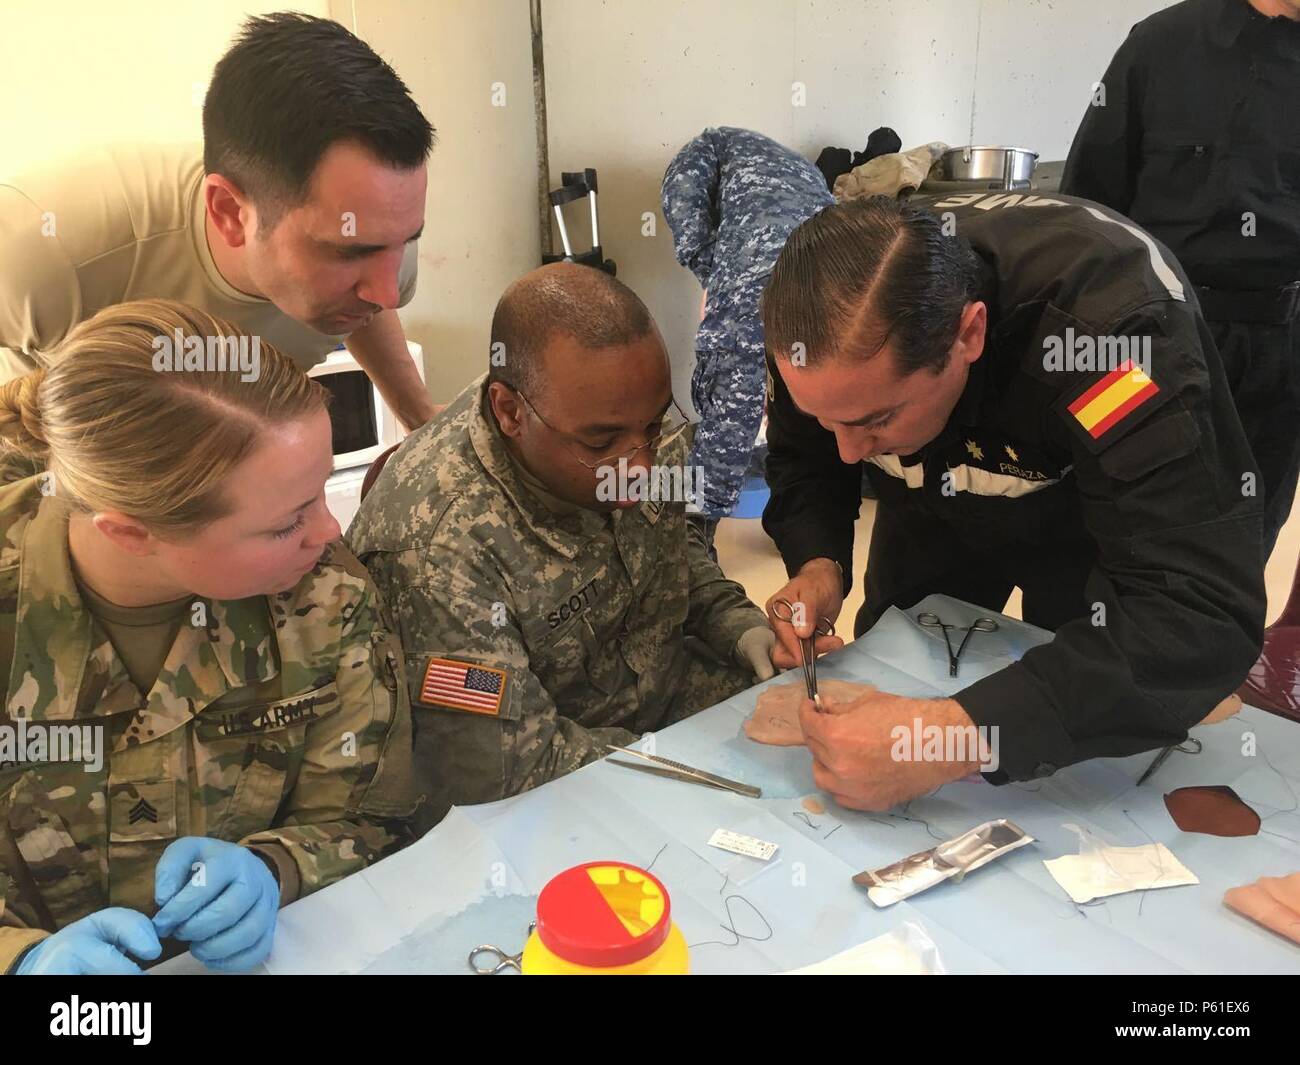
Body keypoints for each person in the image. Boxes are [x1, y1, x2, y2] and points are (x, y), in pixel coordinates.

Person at [760, 194, 1265, 810]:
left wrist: (948, 740)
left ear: (968, 333)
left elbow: (1194, 614)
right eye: (826, 418)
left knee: (1073, 729)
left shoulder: (1109, 345)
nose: (847, 453)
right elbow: (807, 457)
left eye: (874, 419)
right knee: (901, 662)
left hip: (1090, 516)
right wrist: (819, 563)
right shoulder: (820, 324)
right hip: (931, 506)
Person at [0, 300, 416, 975]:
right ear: (130, 532)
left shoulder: (325, 598)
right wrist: (22, 960)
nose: (329, 532)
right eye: (287, 522)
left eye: (322, 490)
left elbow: (374, 819)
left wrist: (274, 868)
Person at [350, 263, 776, 831]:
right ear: (510, 412)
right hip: (540, 787)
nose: (642, 466)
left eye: (654, 427)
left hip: (657, 703)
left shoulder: (622, 418)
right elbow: (508, 770)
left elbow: (675, 552)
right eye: (602, 444)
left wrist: (740, 626)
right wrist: (702, 775)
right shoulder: (435, 552)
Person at [0, 11, 437, 441]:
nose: (388, 291)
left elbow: (370, 311)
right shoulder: (44, 243)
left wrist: (417, 414)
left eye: (403, 241)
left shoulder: (382, 238)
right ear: (229, 212)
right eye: (350, 253)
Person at [1061, 0, 1300, 555]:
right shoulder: (1162, 43)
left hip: (1279, 350)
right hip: (1146, 334)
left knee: (1246, 538)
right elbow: (1085, 209)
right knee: (1108, 528)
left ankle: (1222, 642)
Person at [661, 127, 834, 553]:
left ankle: (692, 539)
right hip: (824, 273)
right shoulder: (798, 170)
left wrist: (719, 296)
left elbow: (696, 244)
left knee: (731, 402)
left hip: (778, 266)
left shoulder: (696, 159)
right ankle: (805, 527)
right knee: (809, 393)